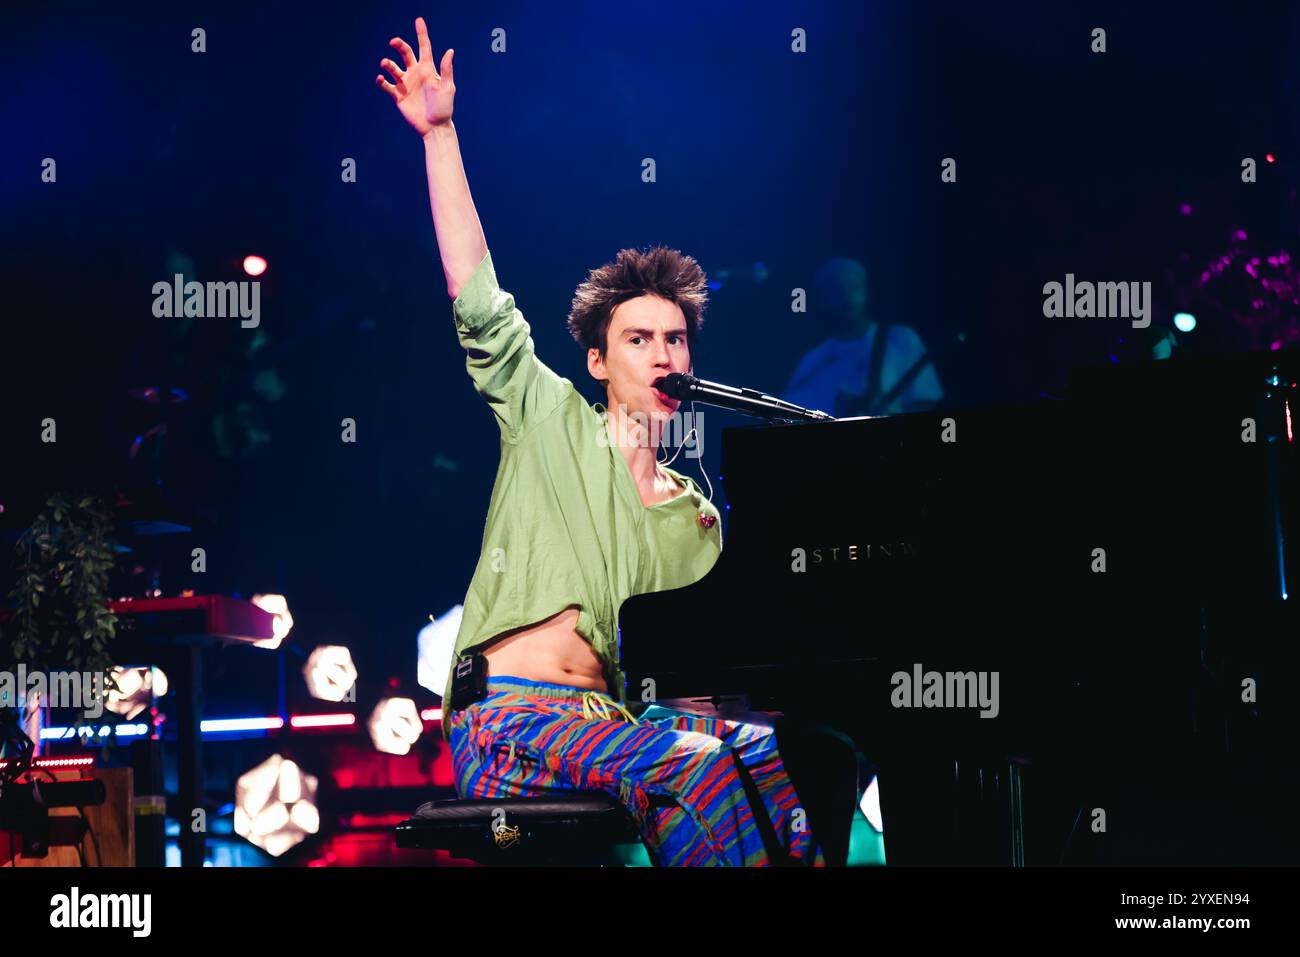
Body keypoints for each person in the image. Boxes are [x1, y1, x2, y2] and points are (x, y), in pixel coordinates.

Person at [377, 17, 848, 865]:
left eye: (675, 339)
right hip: (507, 724)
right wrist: (440, 134)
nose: (664, 353)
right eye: (639, 338)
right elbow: (476, 294)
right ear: (597, 360)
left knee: (766, 759)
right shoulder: (546, 416)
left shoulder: (697, 519)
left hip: (617, 735)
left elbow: (696, 682)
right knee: (695, 767)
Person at [784, 258, 944, 417]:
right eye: (836, 290)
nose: (847, 296)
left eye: (853, 286)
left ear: (866, 290)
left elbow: (928, 400)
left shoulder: (900, 338)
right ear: (823, 299)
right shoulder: (812, 360)